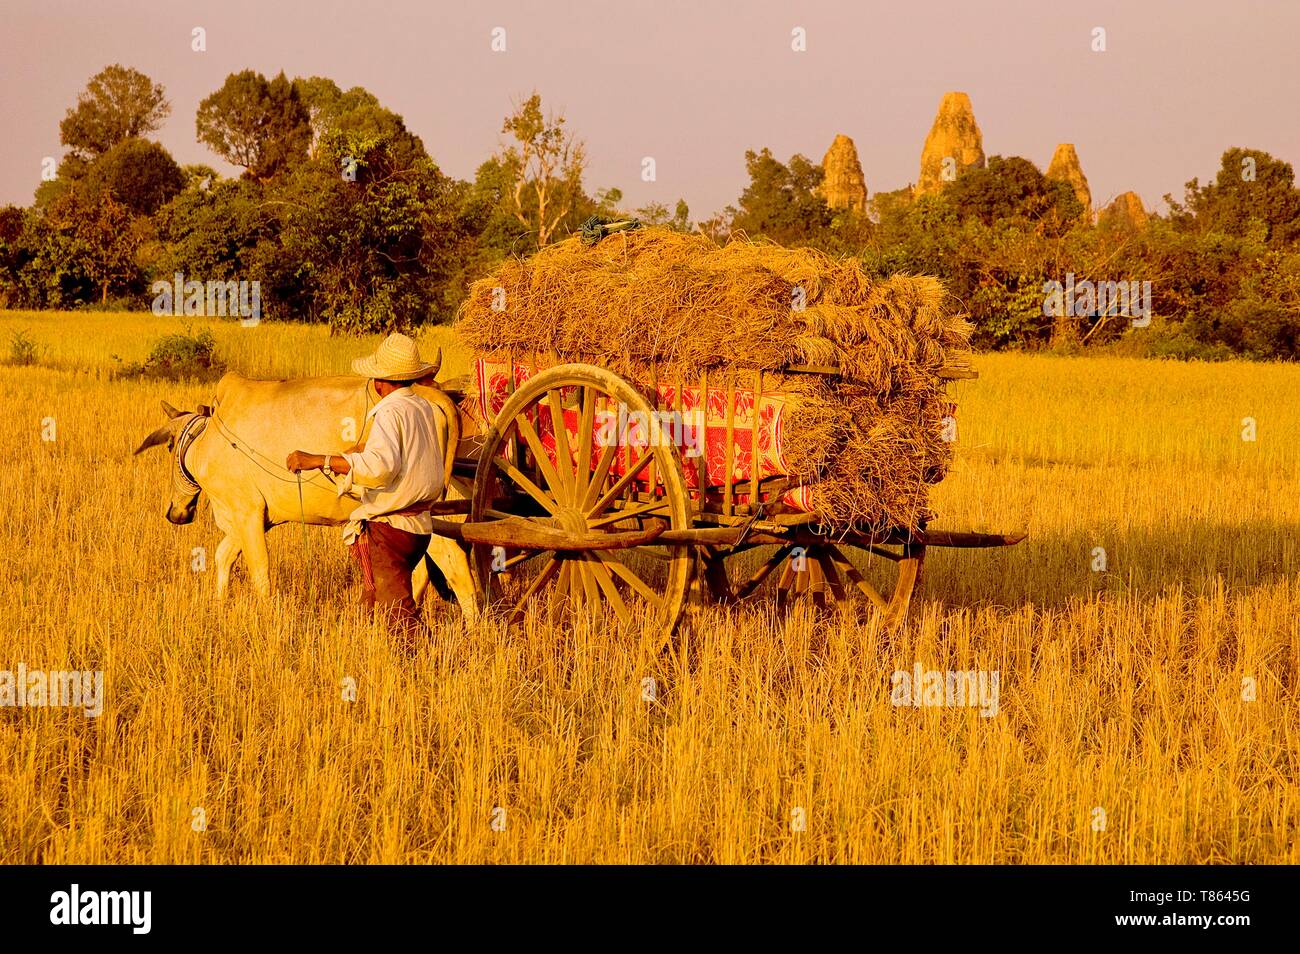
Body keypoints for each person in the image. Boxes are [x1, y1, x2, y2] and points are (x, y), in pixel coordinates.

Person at [286, 332, 444, 650]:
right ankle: (353, 646)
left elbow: (379, 467)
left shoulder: (389, 412)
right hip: (420, 528)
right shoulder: (422, 407)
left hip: (392, 528)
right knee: (376, 593)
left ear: (379, 381)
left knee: (399, 616)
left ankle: (430, 667)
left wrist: (321, 460)